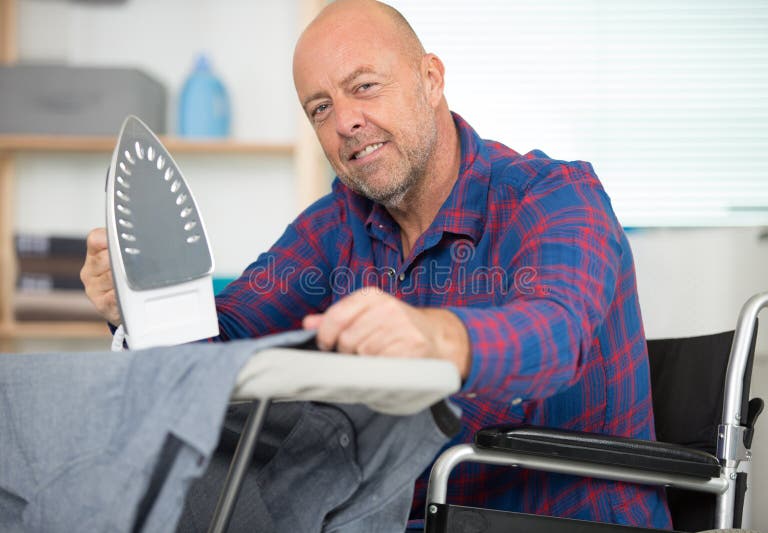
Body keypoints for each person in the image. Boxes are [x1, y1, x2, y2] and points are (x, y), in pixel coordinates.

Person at [81, 0, 672, 529]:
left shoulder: (555, 195)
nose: (344, 122)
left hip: (563, 522)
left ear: (430, 79)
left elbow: (555, 335)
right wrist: (141, 308)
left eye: (363, 86)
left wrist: (435, 336)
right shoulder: (336, 224)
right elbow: (222, 341)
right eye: (320, 107)